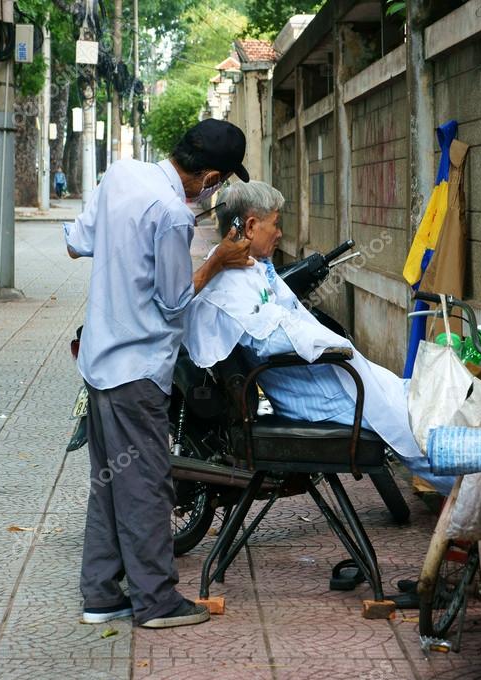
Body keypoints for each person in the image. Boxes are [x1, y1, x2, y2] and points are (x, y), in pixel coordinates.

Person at [63, 119, 253, 630]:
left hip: (100, 359)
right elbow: (173, 301)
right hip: (138, 369)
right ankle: (155, 601)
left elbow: (74, 243)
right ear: (210, 177)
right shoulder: (172, 213)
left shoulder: (121, 174)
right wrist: (216, 262)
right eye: (218, 182)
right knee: (146, 484)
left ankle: (101, 594)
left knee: (109, 484)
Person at [182, 181, 452, 494]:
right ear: (252, 226)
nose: (280, 233)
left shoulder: (251, 267)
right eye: (276, 224)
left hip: (324, 381)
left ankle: (479, 489)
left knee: (417, 401)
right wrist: (331, 344)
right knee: (414, 429)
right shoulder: (231, 281)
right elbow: (270, 338)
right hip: (314, 395)